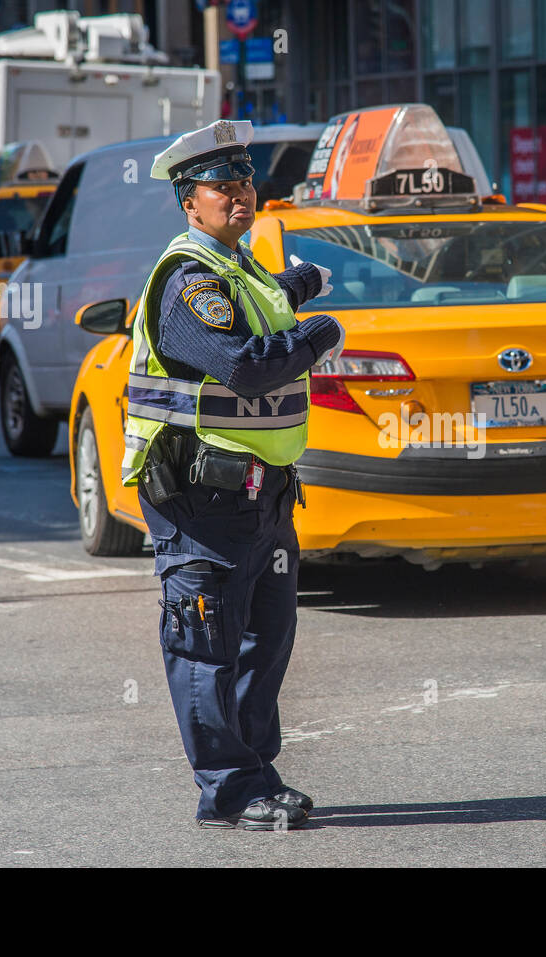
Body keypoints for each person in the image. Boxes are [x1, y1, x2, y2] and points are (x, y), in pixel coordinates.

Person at [124, 119, 343, 831]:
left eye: (246, 181)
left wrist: (302, 283)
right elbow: (246, 361)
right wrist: (320, 331)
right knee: (205, 648)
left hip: (262, 492)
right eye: (223, 186)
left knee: (265, 640)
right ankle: (227, 789)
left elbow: (260, 301)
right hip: (201, 496)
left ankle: (254, 769)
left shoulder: (233, 265)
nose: (240, 195)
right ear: (190, 201)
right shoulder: (187, 278)